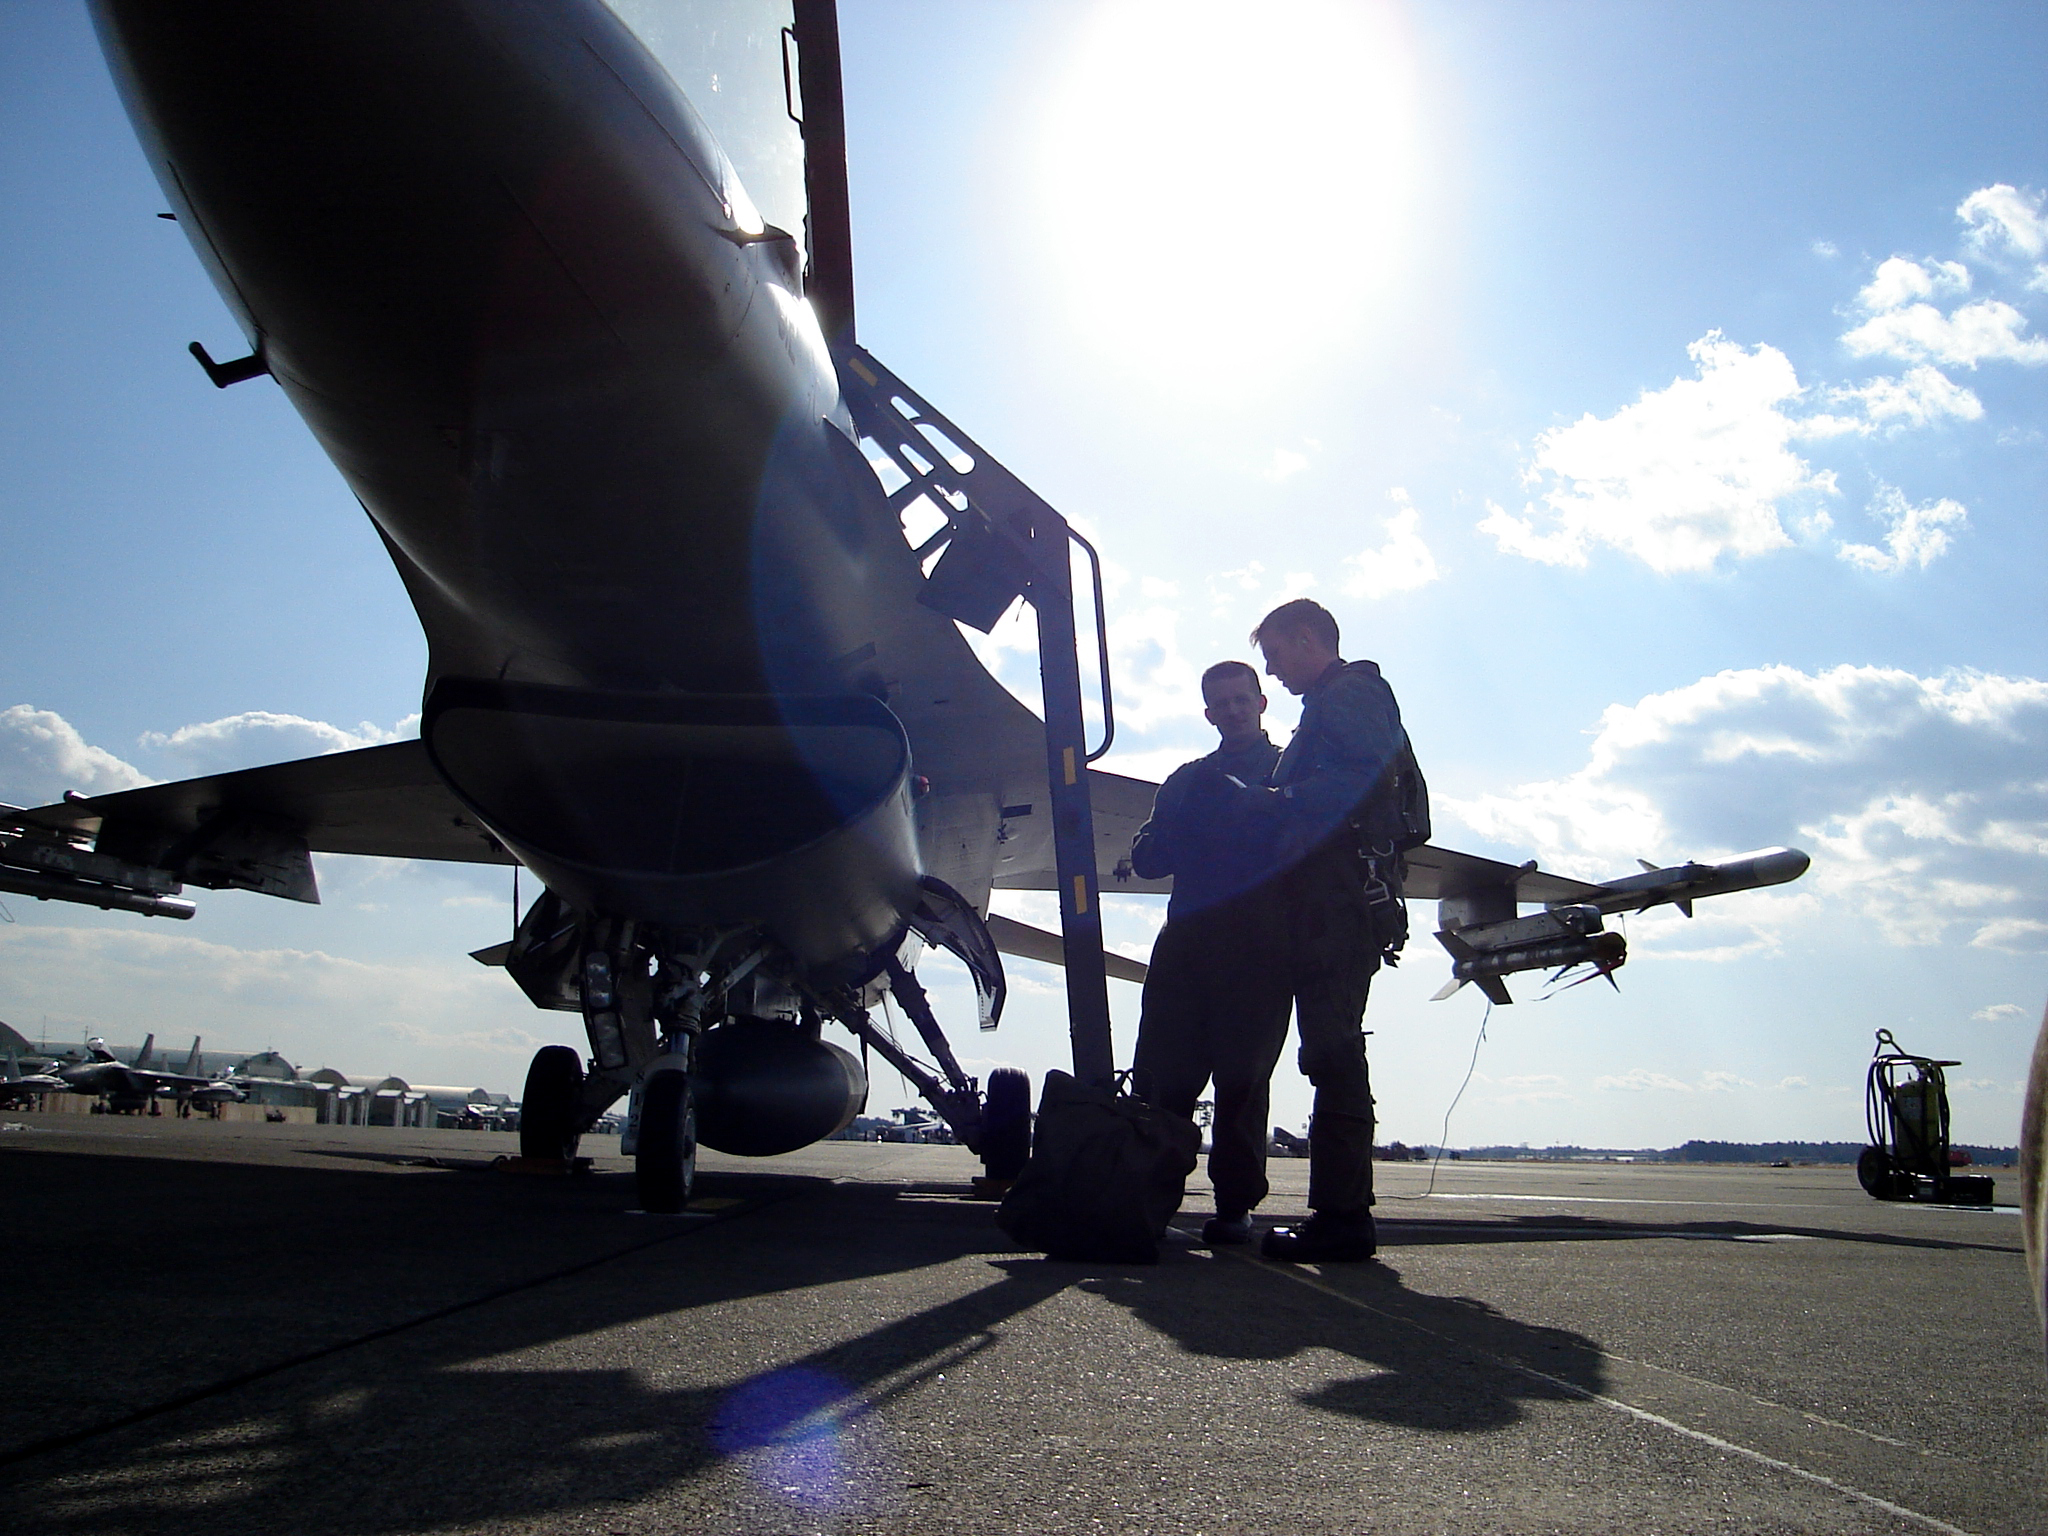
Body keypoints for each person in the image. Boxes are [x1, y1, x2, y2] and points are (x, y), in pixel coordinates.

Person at [1250, 597, 1415, 1263]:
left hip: (1338, 902)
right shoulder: (1336, 700)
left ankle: (1344, 1219)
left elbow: (1366, 779)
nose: (1274, 672)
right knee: (1332, 1052)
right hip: (1330, 900)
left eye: (1277, 656)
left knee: (1333, 1053)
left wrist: (1279, 800)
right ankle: (1341, 1215)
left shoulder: (1349, 694)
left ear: (1307, 638)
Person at [1128, 660, 1294, 1246]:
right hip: (1187, 950)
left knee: (1242, 1084)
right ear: (1206, 713)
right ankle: (1151, 1198)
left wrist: (1260, 813)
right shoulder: (1187, 780)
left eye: (1239, 699)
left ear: (1260, 702)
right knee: (1163, 1081)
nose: (1230, 710)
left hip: (1260, 951)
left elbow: (1313, 846)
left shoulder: (1292, 772)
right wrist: (1185, 828)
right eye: (1218, 703)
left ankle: (1235, 1207)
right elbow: (1146, 858)